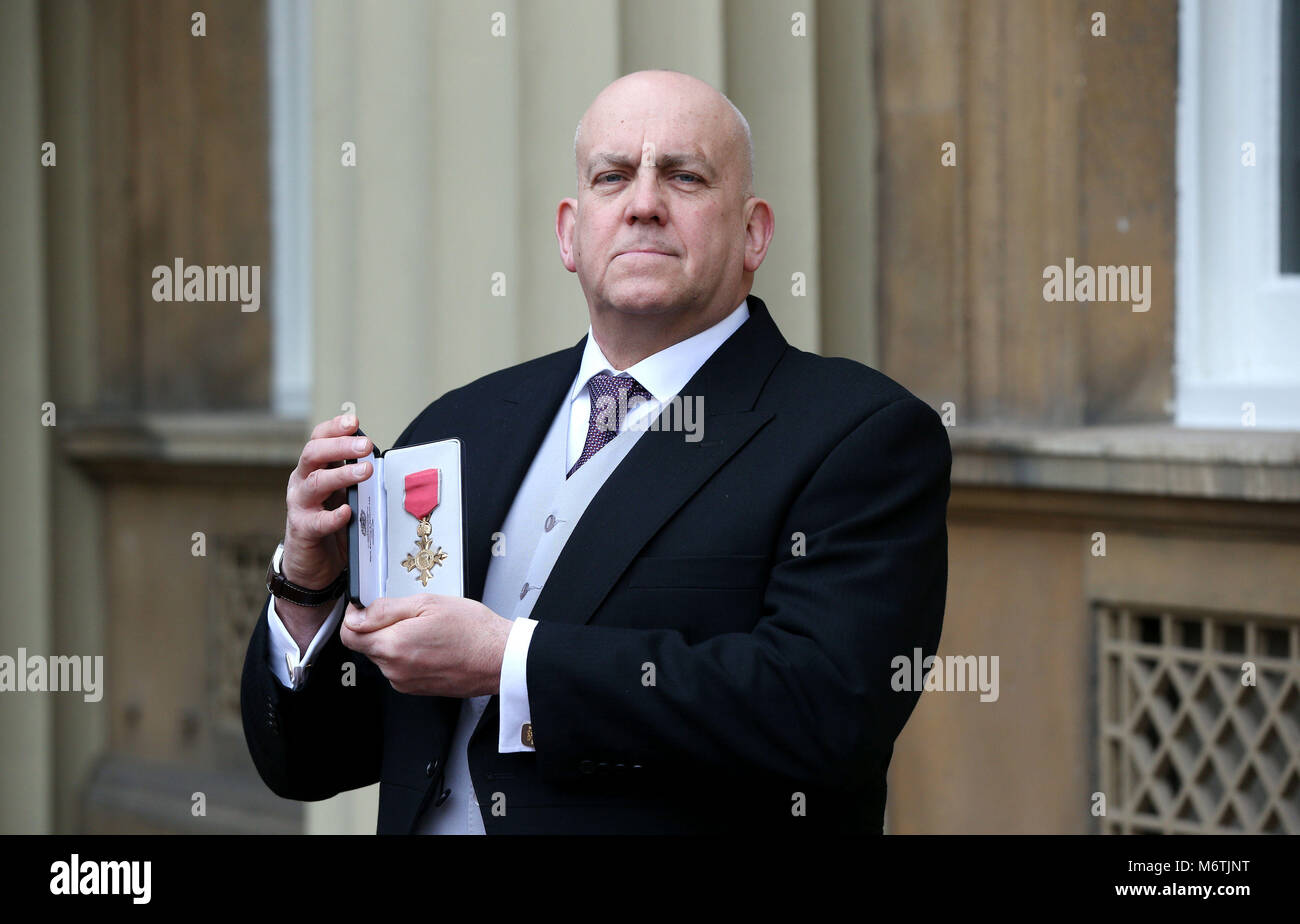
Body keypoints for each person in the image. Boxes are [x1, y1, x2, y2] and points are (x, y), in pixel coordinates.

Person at [241, 69, 950, 834]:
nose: (644, 204)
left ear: (754, 233)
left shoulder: (859, 434)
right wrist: (306, 589)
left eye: (684, 176)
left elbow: (823, 713)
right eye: (613, 177)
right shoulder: (465, 423)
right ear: (569, 234)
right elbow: (313, 762)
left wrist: (511, 662)